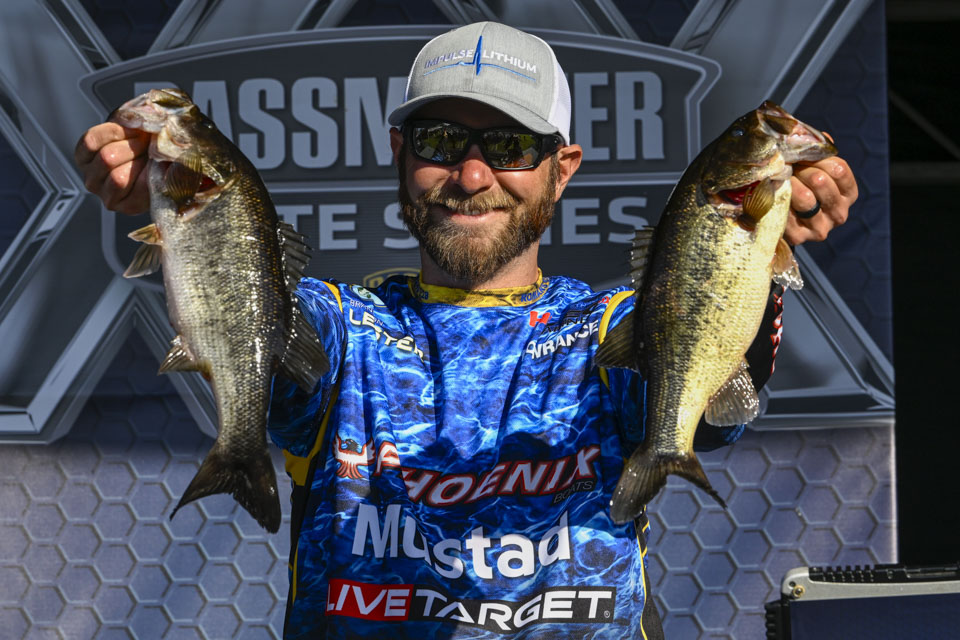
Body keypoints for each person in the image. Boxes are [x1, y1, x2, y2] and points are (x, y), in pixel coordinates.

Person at [74, 21, 856, 640]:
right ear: (400, 154)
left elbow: (713, 413)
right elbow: (257, 324)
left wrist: (763, 251)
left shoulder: (609, 327)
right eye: (442, 142)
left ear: (564, 166)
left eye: (510, 146)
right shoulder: (342, 328)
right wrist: (169, 197)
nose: (472, 176)